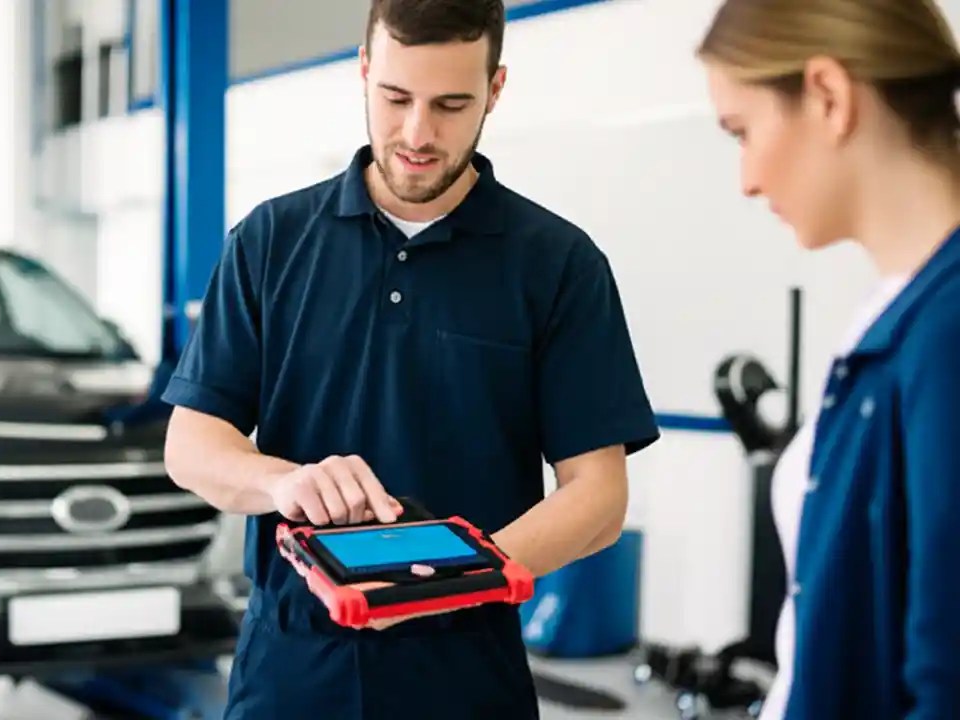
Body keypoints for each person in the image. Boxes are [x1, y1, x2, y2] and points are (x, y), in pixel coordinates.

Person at [162, 1, 659, 717]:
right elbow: (192, 445)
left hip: (467, 683)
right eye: (395, 99)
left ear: (495, 89)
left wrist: (449, 580)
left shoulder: (557, 265)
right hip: (290, 678)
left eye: (452, 104)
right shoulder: (269, 242)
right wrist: (285, 483)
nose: (418, 134)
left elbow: (599, 496)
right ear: (364, 72)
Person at [696, 1, 960, 718]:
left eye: (742, 132)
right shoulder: (889, 317)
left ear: (829, 97)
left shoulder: (945, 336)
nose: (745, 179)